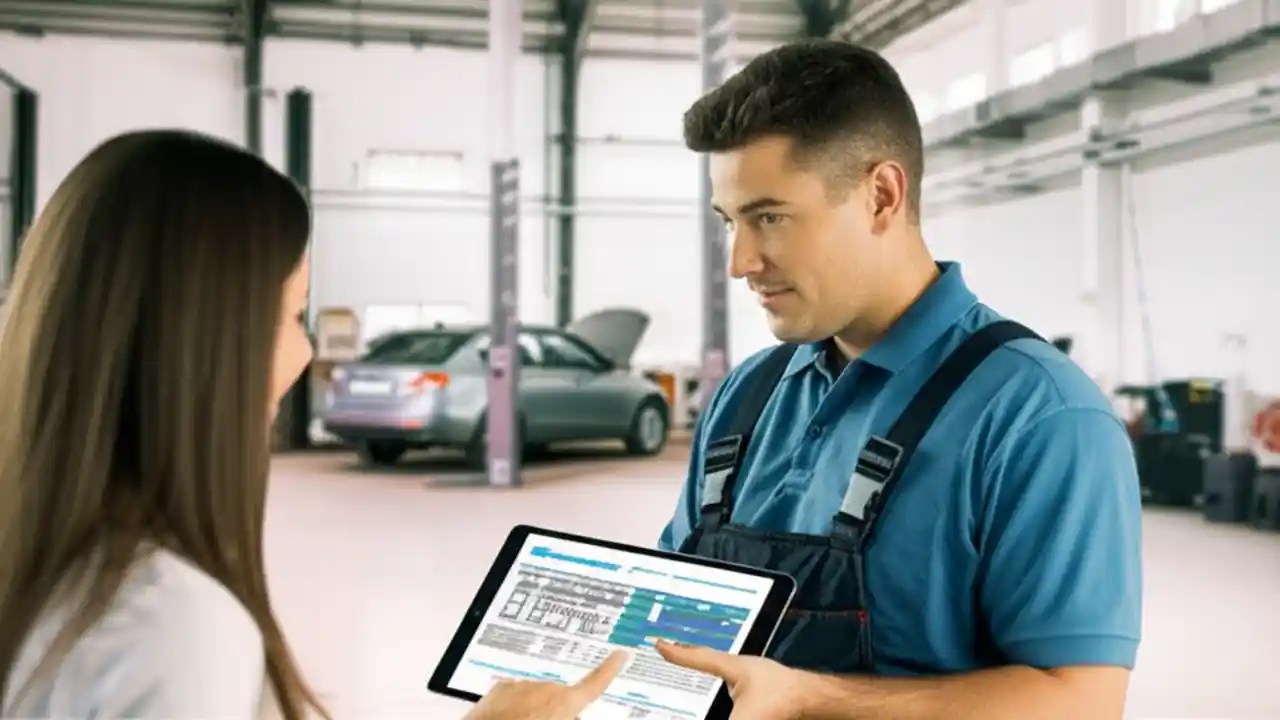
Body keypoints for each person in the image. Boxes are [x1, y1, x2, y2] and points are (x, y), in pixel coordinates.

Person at [0, 130, 622, 720]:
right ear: (201, 342)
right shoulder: (169, 622)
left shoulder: (47, 568)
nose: (303, 355)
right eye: (291, 316)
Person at [654, 40, 1143, 718]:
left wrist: (810, 699)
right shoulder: (747, 397)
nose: (740, 261)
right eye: (729, 222)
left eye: (769, 217)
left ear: (882, 196)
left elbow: (1081, 701)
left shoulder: (1040, 417)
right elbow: (678, 629)